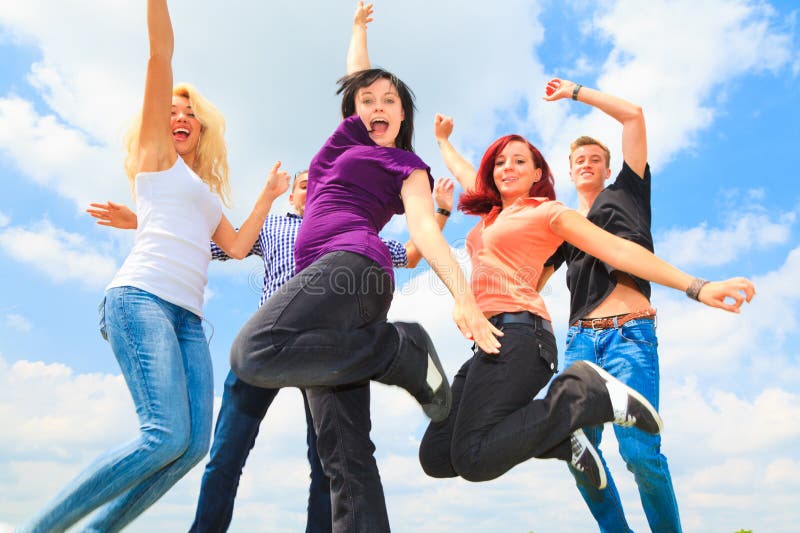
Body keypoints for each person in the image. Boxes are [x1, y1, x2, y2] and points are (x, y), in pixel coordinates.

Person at [228, 3, 502, 532]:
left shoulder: (406, 165)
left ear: (403, 117)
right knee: (344, 457)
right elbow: (357, 73)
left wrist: (462, 295)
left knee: (253, 352)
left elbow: (423, 230)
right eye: (367, 100)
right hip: (328, 310)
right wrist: (357, 28)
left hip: (352, 271)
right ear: (355, 111)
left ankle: (401, 349)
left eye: (390, 101)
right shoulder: (345, 143)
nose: (378, 105)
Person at [18, 2, 288, 531]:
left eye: (190, 113)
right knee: (163, 435)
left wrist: (267, 195)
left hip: (188, 320)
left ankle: (99, 529)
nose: (180, 116)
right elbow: (159, 54)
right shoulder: (155, 157)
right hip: (140, 299)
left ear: (203, 129)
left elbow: (234, 248)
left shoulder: (204, 193)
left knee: (191, 448)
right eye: (172, 110)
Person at [87, 172, 455, 532]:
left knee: (328, 461)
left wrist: (440, 212)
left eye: (321, 186)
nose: (312, 191)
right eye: (304, 185)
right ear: (292, 195)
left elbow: (408, 255)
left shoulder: (348, 233)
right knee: (226, 455)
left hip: (325, 351)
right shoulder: (273, 225)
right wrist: (139, 221)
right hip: (270, 345)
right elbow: (212, 243)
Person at [417, 113, 754, 496]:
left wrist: (697, 286)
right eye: (500, 161)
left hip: (520, 337)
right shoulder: (491, 215)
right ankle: (560, 440)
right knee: (436, 457)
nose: (507, 167)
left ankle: (582, 392)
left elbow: (618, 250)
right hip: (488, 341)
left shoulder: (547, 213)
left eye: (520, 161)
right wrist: (443, 140)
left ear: (537, 174)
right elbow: (465, 173)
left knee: (474, 460)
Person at [540, 78, 682, 532]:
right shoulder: (563, 225)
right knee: (577, 449)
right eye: (579, 159)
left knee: (640, 454)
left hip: (628, 335)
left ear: (607, 170)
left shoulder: (627, 193)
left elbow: (634, 115)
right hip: (580, 344)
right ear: (570, 170)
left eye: (595, 160)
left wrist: (575, 92)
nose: (587, 164)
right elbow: (529, 282)